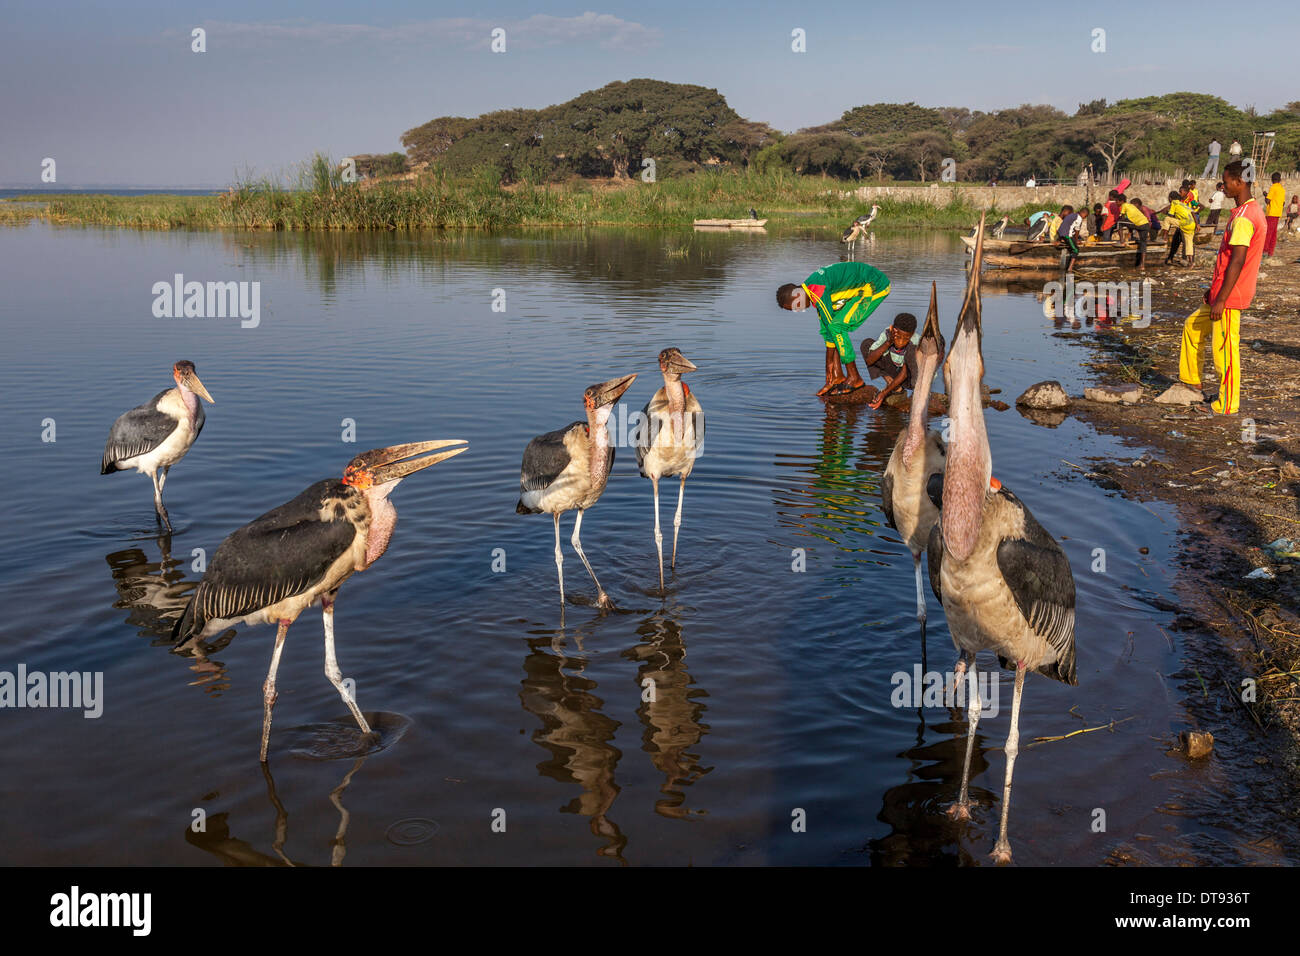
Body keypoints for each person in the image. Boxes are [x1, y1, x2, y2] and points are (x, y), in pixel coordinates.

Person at [1166, 161, 1266, 416]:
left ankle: (1227, 403)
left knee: (1225, 351)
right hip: (1221, 290)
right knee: (1193, 326)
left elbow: (1238, 261)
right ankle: (1192, 381)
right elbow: (1227, 259)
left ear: (1239, 183)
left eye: (1226, 181)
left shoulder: (1245, 218)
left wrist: (1221, 299)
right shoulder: (1244, 211)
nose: (1223, 185)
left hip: (1231, 295)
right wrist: (1213, 291)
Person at [776, 261, 891, 396]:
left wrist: (828, 364)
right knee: (832, 327)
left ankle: (855, 378)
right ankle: (838, 377)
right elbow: (826, 330)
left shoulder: (817, 290)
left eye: (796, 306)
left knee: (837, 326)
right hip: (859, 289)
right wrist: (830, 370)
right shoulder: (812, 290)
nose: (798, 310)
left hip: (874, 286)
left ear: (797, 296)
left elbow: (832, 328)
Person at [861, 313, 930, 409]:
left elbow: (904, 374)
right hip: (895, 369)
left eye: (906, 338)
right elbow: (869, 361)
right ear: (893, 329)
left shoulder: (915, 343)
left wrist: (884, 393)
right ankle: (892, 383)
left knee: (911, 352)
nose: (901, 343)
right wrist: (888, 342)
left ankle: (918, 393)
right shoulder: (887, 334)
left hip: (911, 378)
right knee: (867, 344)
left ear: (912, 334)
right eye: (898, 337)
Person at [1156, 190, 1196, 266]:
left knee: (1167, 219)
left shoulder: (1173, 203)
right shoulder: (1182, 204)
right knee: (1189, 243)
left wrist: (1166, 213)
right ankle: (1191, 262)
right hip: (1192, 224)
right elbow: (1192, 212)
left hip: (1184, 223)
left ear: (1170, 198)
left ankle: (1164, 236)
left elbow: (1170, 215)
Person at [1118, 193, 1153, 270]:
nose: (1116, 203)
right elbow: (1130, 221)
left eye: (1117, 202)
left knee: (1119, 223)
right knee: (1143, 244)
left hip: (1139, 224)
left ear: (1121, 201)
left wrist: (1120, 217)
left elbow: (1122, 218)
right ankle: (1142, 265)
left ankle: (1121, 241)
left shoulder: (1124, 205)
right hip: (1145, 224)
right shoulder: (1132, 207)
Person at [1057, 204, 1084, 272]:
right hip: (1067, 235)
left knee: (1071, 244)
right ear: (1084, 214)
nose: (1084, 218)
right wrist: (1076, 240)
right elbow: (1077, 230)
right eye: (1085, 216)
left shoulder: (1071, 215)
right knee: (1076, 249)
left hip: (1060, 233)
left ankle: (1062, 240)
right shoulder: (1079, 218)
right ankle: (1070, 268)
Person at [1264, 172, 1285, 256]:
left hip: (1271, 213)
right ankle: (1270, 252)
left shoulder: (1273, 187)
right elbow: (1283, 203)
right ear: (1279, 180)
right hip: (1278, 213)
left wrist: (1265, 195)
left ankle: (1265, 251)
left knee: (1268, 233)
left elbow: (1267, 201)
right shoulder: (1282, 189)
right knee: (1273, 234)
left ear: (1272, 180)